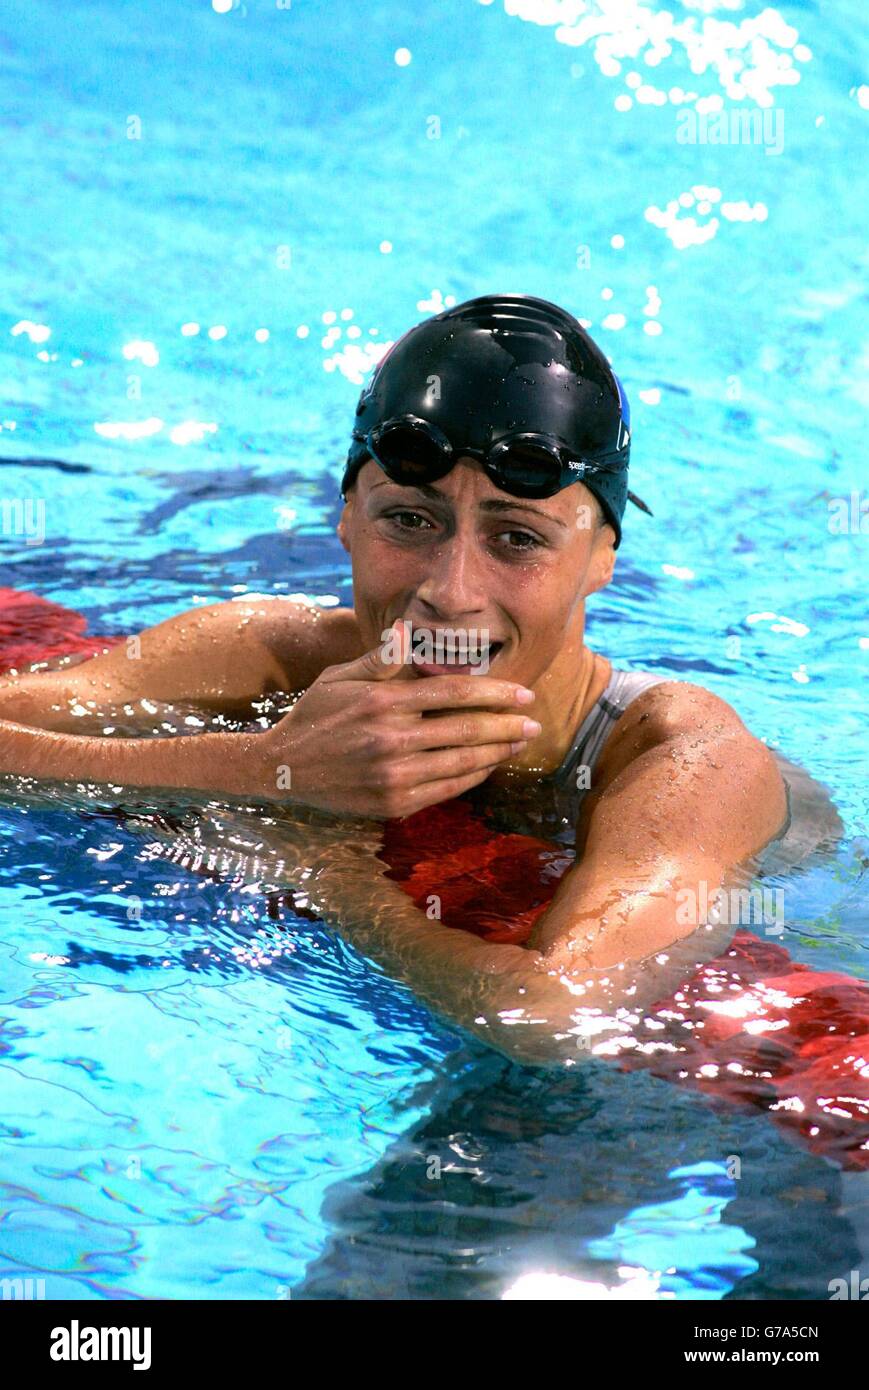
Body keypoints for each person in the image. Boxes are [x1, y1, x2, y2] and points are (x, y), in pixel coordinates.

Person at [0, 295, 834, 1064]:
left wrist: (337, 880)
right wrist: (261, 766)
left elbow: (558, 1018)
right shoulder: (267, 653)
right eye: (409, 519)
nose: (448, 589)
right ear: (345, 518)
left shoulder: (690, 764)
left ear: (600, 558)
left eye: (516, 539)